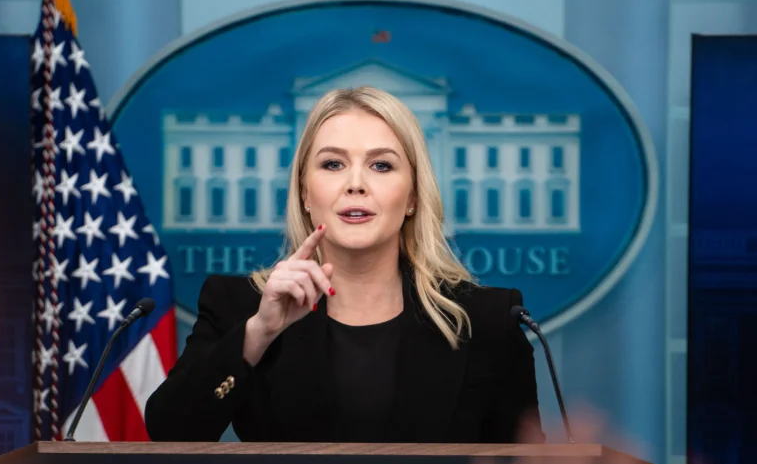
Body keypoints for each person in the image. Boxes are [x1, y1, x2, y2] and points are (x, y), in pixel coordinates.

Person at [145, 86, 543, 444]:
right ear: (304, 192)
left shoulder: (488, 319)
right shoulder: (239, 307)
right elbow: (169, 433)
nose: (356, 183)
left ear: (412, 198)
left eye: (381, 165)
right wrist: (259, 333)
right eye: (333, 164)